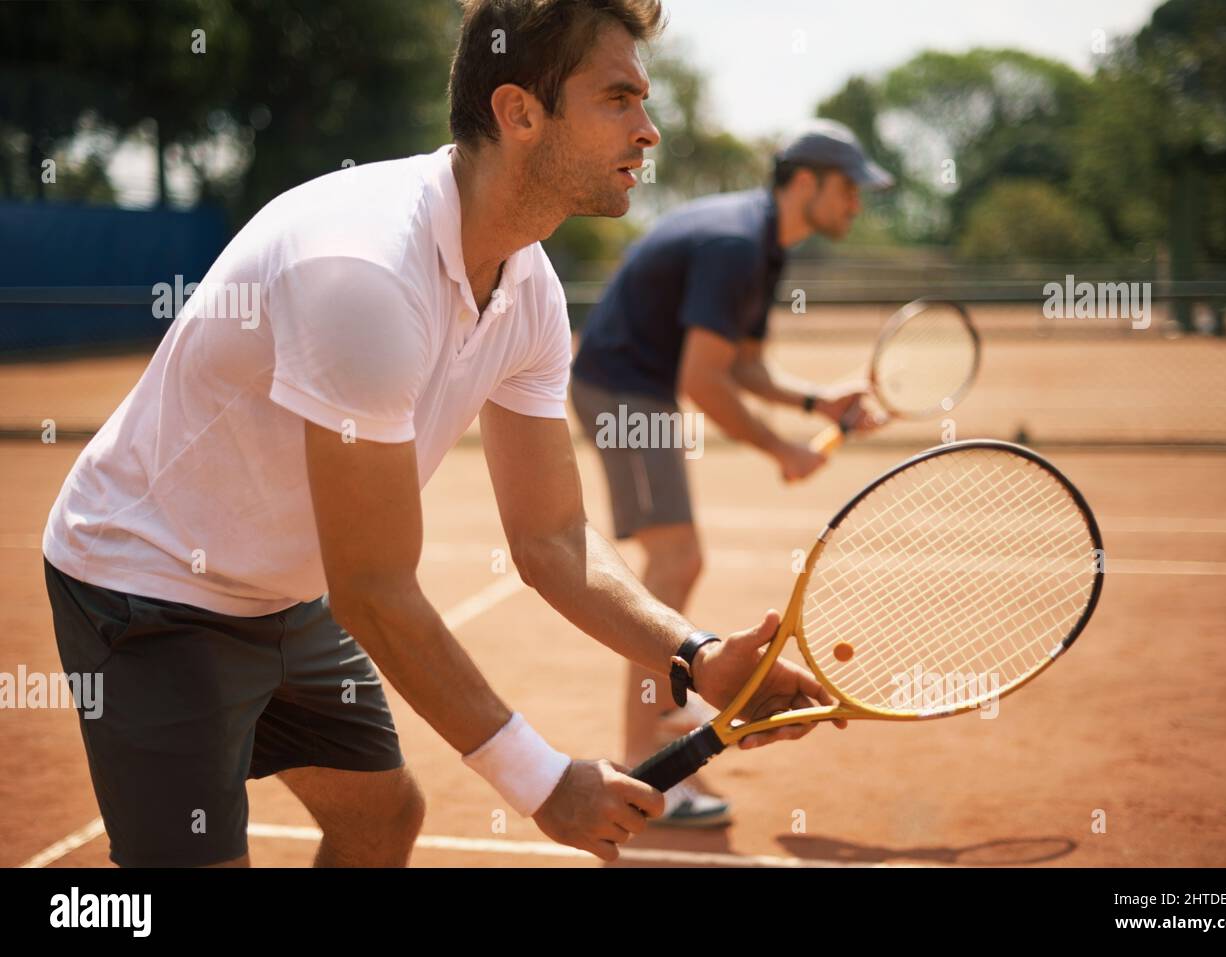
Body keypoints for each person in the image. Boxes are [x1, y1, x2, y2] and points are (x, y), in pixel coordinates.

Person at [41, 0, 836, 868]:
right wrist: (541, 780)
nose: (649, 131)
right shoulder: (364, 275)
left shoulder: (527, 286)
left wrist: (697, 654)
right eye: (618, 98)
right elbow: (375, 588)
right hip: (147, 583)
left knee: (383, 820)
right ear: (519, 112)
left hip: (278, 592)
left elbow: (552, 540)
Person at [570, 118, 894, 826]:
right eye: (848, 188)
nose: (857, 203)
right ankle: (644, 762)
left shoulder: (764, 245)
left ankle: (655, 727)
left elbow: (741, 363)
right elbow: (704, 380)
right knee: (675, 558)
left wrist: (817, 401)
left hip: (638, 386)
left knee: (676, 560)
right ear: (804, 182)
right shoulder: (737, 244)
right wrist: (784, 449)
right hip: (622, 387)